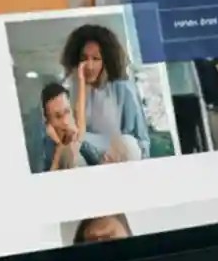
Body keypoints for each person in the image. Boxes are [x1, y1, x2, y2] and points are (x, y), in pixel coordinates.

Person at [60, 24, 152, 161]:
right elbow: (72, 137)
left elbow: (141, 140)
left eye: (96, 59)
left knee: (128, 143)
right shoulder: (69, 91)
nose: (89, 66)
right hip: (87, 161)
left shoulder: (123, 88)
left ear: (106, 60)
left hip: (121, 158)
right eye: (84, 59)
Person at [33, 82, 112, 173]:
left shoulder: (74, 136)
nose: (66, 122)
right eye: (58, 116)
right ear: (48, 122)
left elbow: (97, 160)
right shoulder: (42, 150)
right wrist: (60, 147)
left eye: (67, 112)